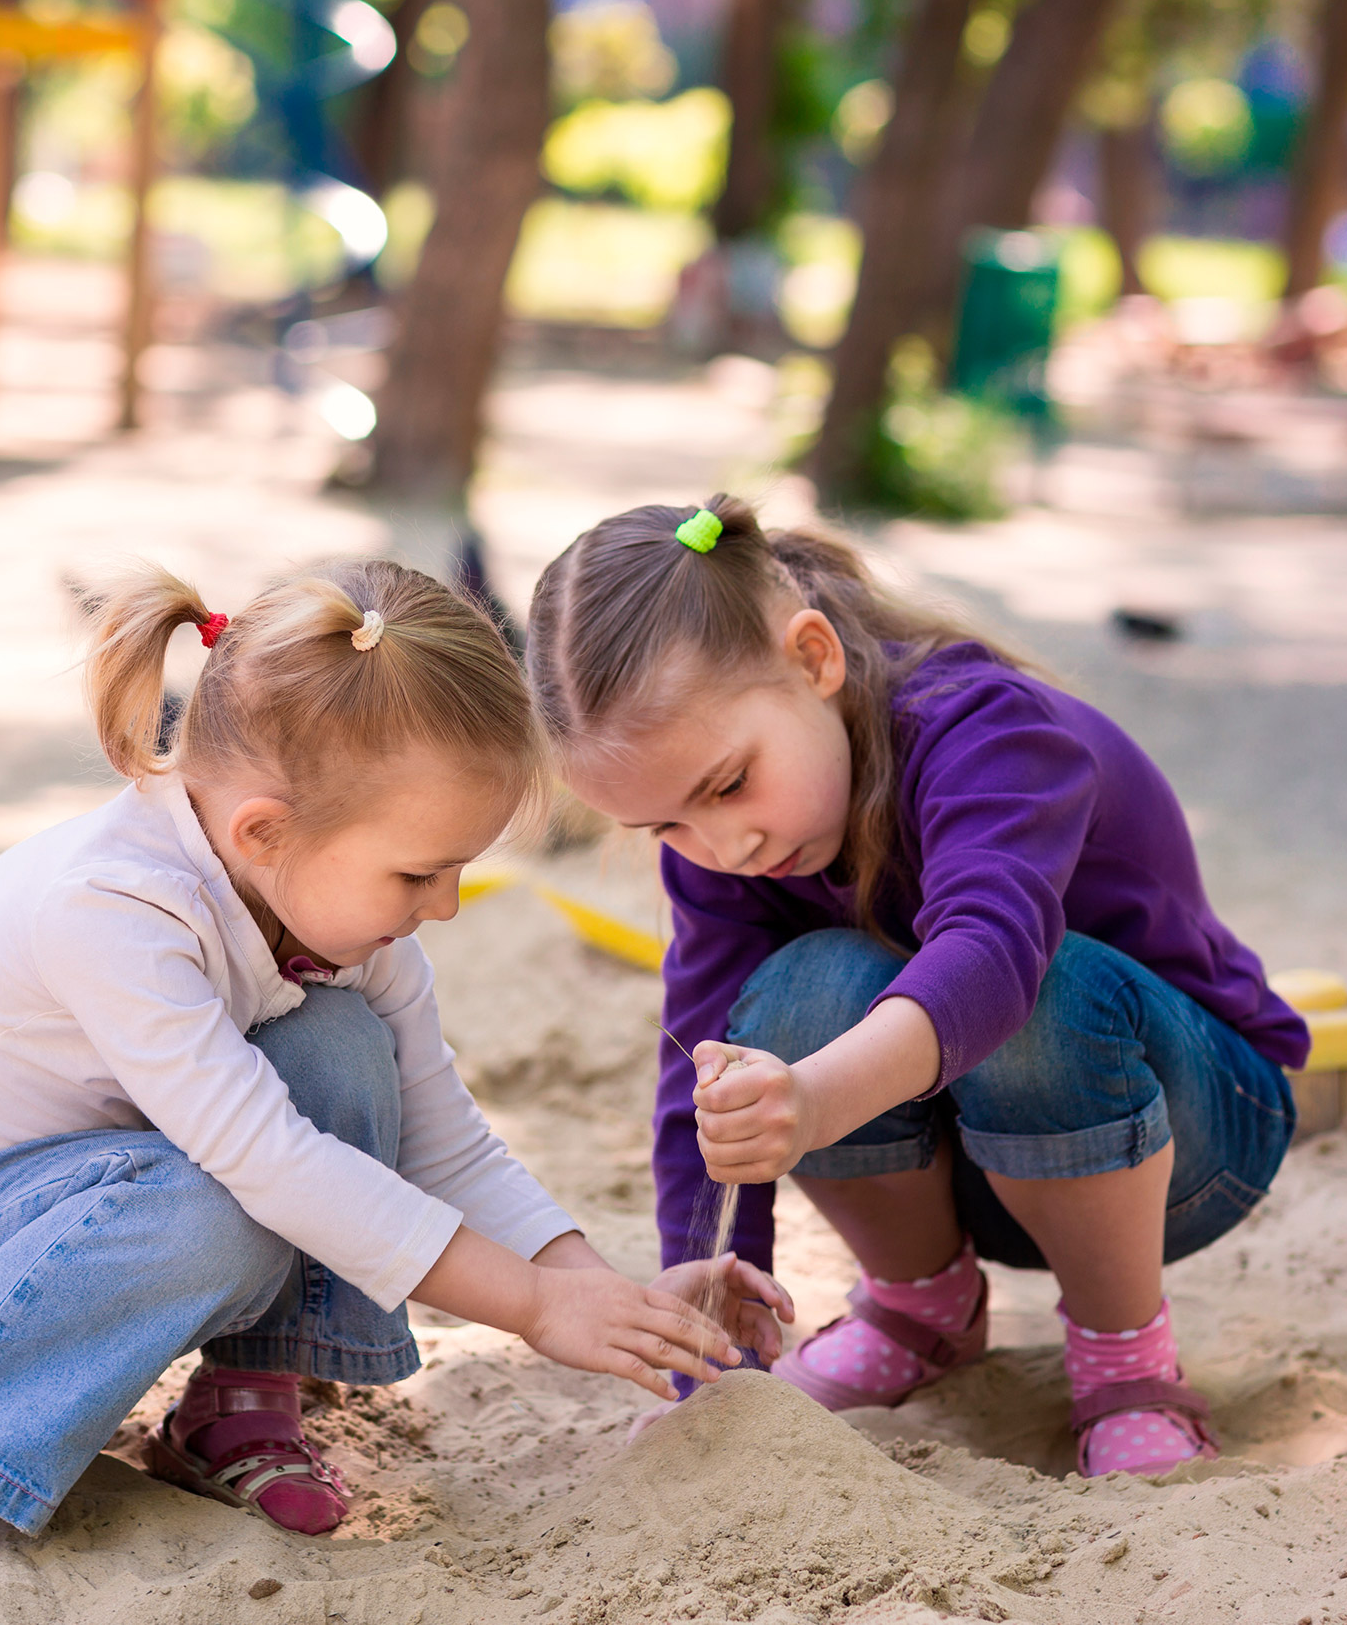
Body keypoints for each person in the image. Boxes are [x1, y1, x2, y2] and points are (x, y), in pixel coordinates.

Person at [0, 558, 791, 1570]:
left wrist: (598, 1292)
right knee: (229, 1201)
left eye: (458, 870)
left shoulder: (346, 925)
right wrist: (528, 1306)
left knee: (344, 1048)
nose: (441, 904)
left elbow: (444, 1135)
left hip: (121, 1207)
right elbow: (271, 1163)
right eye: (418, 870)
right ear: (265, 828)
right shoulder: (115, 910)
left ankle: (242, 1399)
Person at [524, 497, 1305, 1477]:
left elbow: (988, 959)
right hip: (986, 1159)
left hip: (1196, 1134)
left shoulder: (987, 732)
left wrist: (808, 1098)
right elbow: (702, 1072)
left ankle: (1125, 1358)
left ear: (813, 659)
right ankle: (918, 1306)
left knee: (1039, 991)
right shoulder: (724, 856)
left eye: (727, 785)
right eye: (665, 826)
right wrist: (708, 1349)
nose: (723, 845)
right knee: (794, 993)